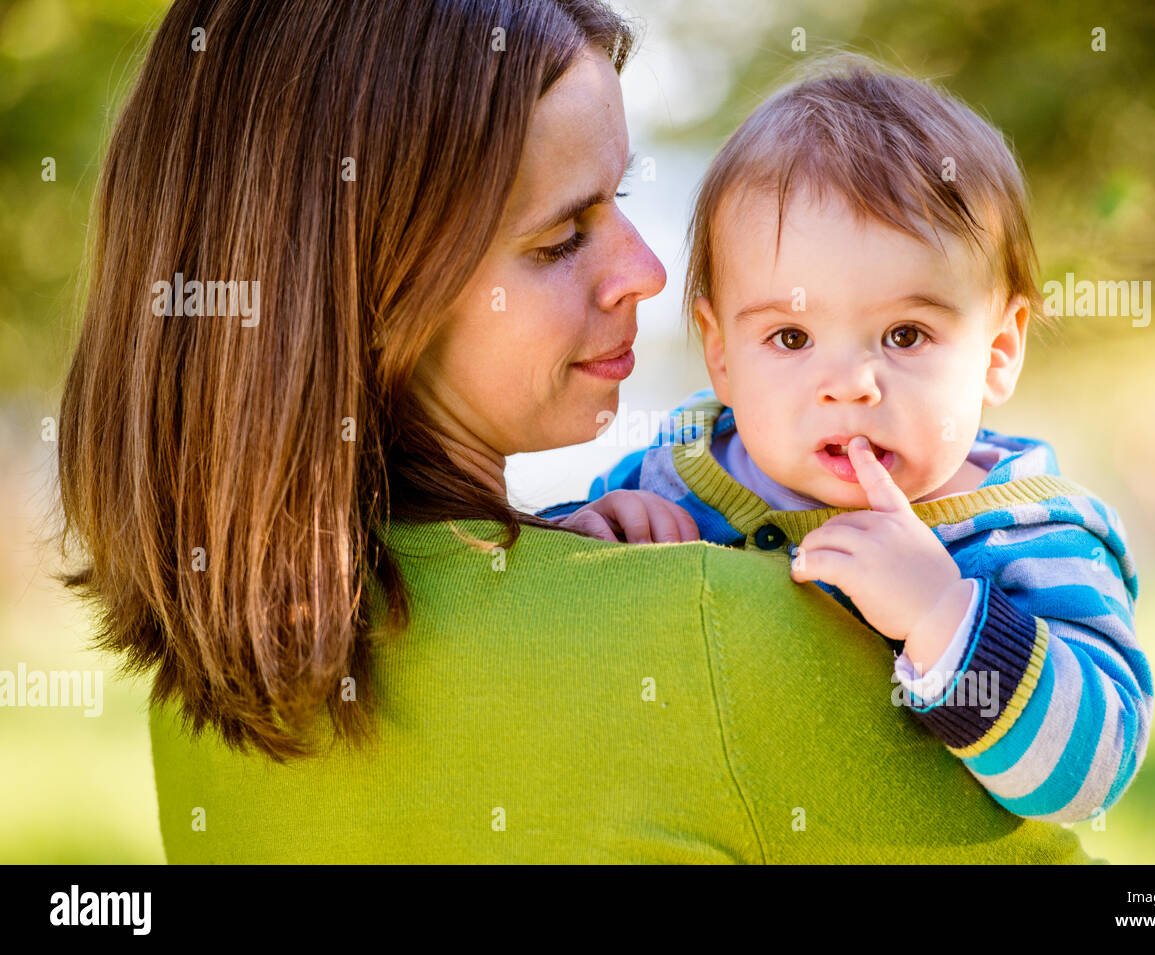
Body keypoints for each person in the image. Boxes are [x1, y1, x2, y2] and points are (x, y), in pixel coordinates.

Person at [56, 0, 1093, 862]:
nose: (647, 269)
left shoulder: (220, 687)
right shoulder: (723, 636)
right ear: (360, 295)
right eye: (560, 238)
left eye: (625, 198)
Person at [538, 59, 1154, 824]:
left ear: (997, 352)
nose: (851, 383)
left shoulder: (1030, 537)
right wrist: (588, 533)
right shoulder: (675, 476)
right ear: (721, 352)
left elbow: (1089, 776)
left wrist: (945, 615)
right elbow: (550, 626)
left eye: (905, 334)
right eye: (791, 336)